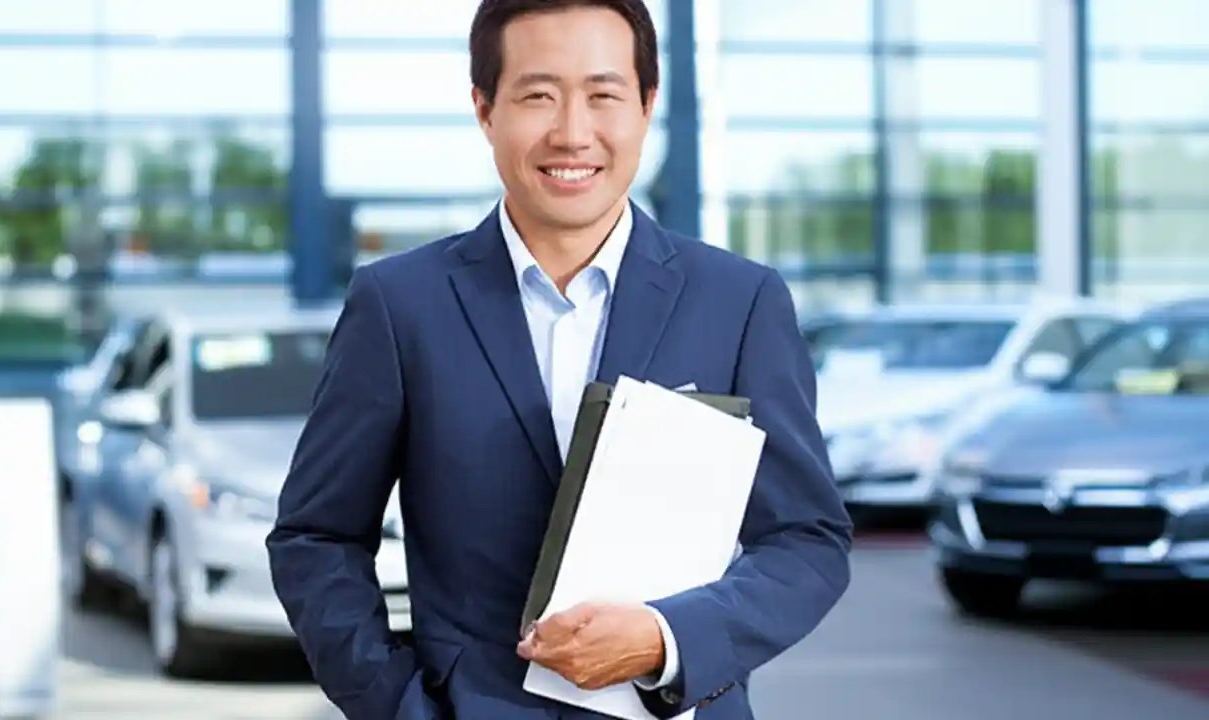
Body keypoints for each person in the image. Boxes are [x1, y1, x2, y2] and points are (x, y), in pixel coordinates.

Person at [266, 1, 853, 718]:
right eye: (538, 95)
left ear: (647, 105)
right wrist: (398, 705)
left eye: (603, 95)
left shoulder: (740, 302)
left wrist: (671, 638)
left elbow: (806, 540)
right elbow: (315, 536)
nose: (572, 133)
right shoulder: (399, 306)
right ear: (485, 109)